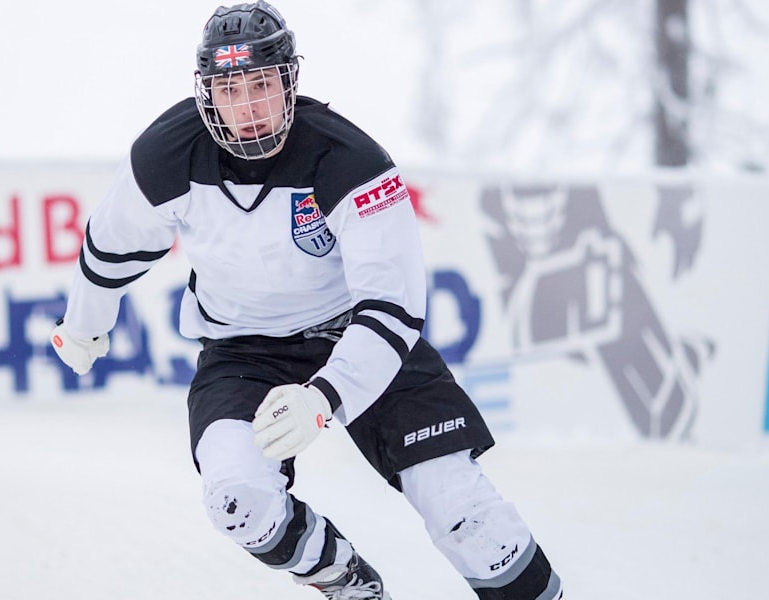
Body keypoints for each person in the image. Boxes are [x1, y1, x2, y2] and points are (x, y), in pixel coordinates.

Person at [49, 2, 565, 598]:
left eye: (262, 84)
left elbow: (392, 310)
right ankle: (344, 581)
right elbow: (109, 245)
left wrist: (322, 398)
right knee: (235, 499)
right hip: (241, 352)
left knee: (467, 515)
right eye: (230, 88)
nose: (248, 107)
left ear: (290, 81)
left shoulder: (353, 161)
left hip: (356, 337)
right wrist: (85, 326)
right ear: (207, 94)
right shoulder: (165, 153)